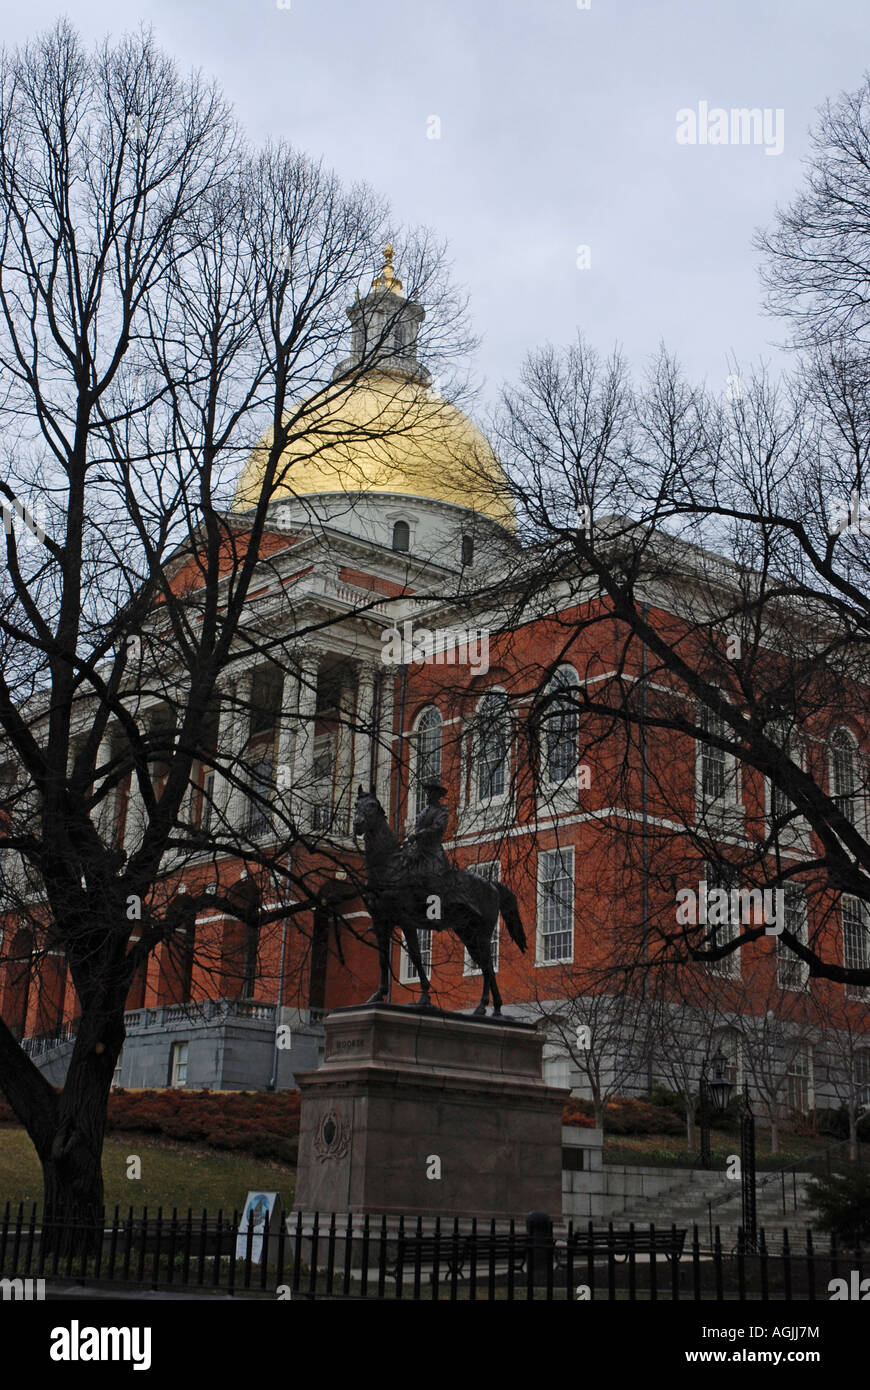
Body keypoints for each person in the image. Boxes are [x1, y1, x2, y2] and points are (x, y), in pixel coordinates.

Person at [398, 779, 450, 883]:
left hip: (432, 850)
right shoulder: (423, 811)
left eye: (431, 792)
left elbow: (437, 827)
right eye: (427, 792)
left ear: (437, 795)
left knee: (436, 876)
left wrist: (417, 835)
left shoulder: (442, 811)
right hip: (418, 849)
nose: (428, 794)